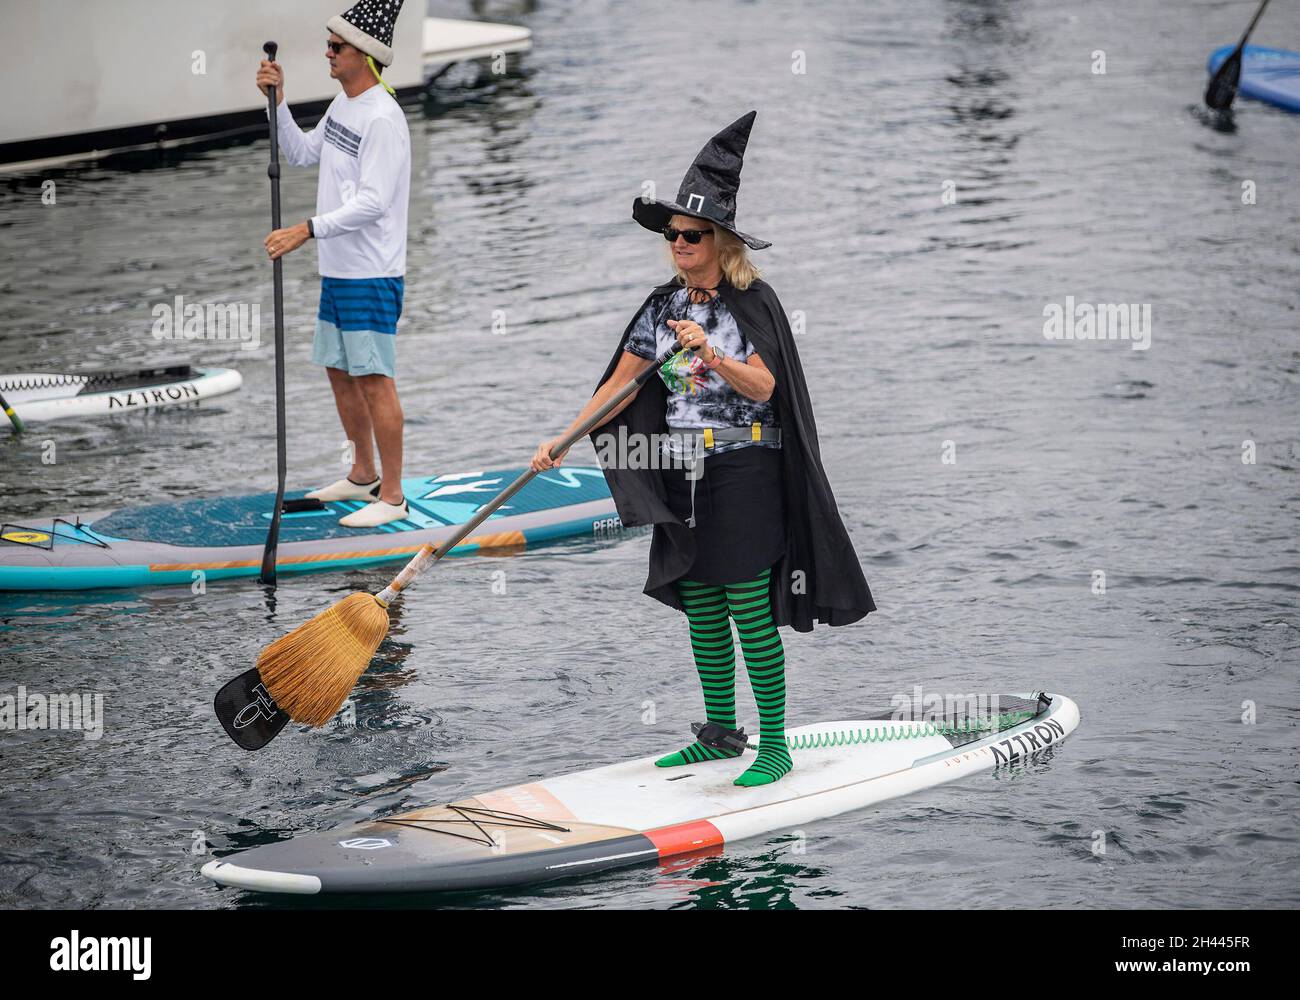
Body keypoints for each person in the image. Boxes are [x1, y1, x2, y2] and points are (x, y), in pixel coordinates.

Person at [532, 112, 875, 787]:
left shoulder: (753, 302)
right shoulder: (661, 306)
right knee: (699, 600)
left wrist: (710, 353)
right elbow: (621, 384)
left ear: (720, 242)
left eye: (690, 235)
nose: (677, 244)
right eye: (671, 235)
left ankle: (774, 745)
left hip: (746, 465)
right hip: (681, 470)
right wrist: (562, 437)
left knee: (748, 604)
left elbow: (765, 385)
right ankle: (720, 735)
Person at [256, 0, 411, 528]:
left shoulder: (384, 119)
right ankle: (362, 473)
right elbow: (299, 153)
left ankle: (392, 496)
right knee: (339, 370)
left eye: (335, 45)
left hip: (372, 271)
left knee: (373, 378)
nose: (328, 51)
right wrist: (276, 103)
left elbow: (374, 202)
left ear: (363, 54)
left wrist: (307, 229)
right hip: (339, 270)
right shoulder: (343, 106)